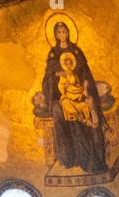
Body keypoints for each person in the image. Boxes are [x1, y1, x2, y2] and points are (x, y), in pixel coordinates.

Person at [41, 22, 107, 173]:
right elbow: (48, 78)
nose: (62, 35)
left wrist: (85, 88)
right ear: (56, 35)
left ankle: (94, 158)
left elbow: (85, 73)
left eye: (64, 31)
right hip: (63, 96)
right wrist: (57, 75)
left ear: (68, 33)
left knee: (89, 109)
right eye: (59, 32)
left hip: (80, 93)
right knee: (60, 112)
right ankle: (68, 156)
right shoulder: (53, 53)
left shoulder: (76, 51)